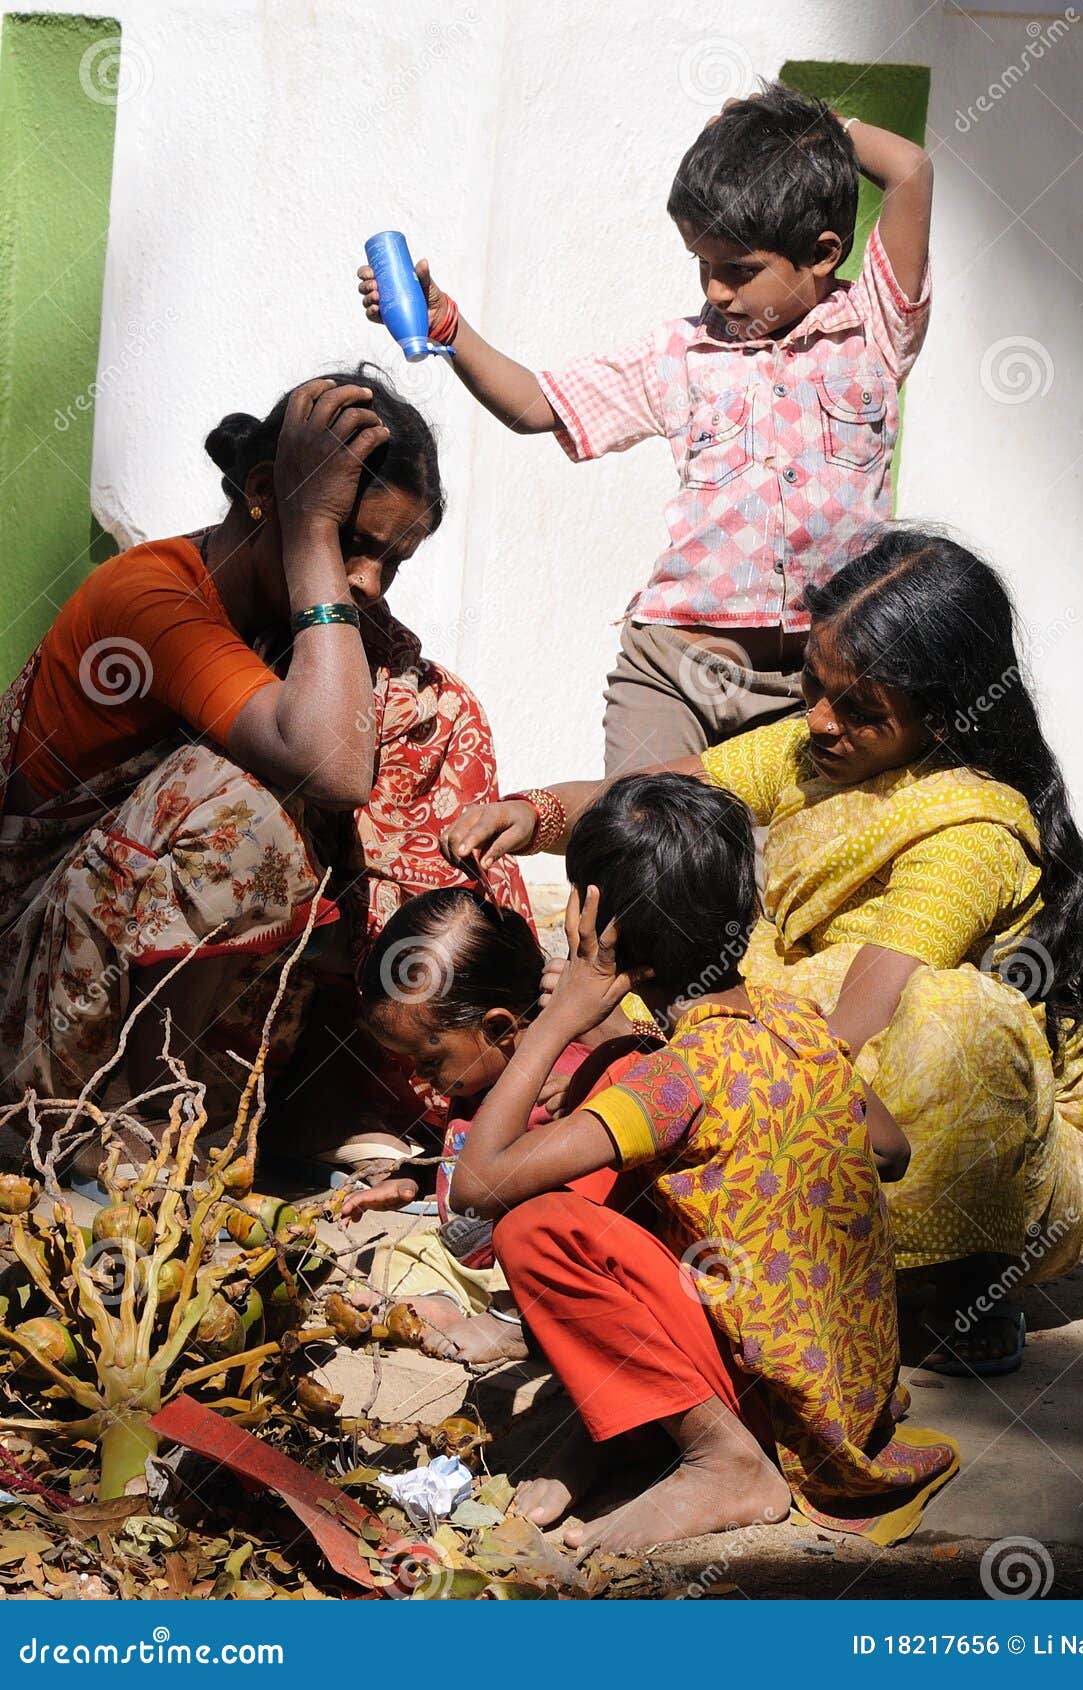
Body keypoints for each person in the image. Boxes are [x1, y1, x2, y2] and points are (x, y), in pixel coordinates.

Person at [442, 528, 1083, 1377]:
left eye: (859, 710)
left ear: (945, 714)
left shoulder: (972, 831)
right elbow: (667, 798)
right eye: (814, 688)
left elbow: (850, 1025)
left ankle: (957, 1287)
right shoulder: (822, 745)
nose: (819, 721)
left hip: (936, 1123)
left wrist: (680, 1053)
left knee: (952, 1017)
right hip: (815, 1056)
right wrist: (538, 812)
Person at [0, 367, 529, 1161]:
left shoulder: (303, 623)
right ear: (260, 493)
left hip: (202, 991)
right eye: (353, 545)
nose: (368, 585)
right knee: (247, 804)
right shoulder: (149, 599)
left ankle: (406, 1070)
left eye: (394, 562)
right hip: (38, 984)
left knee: (428, 707)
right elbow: (335, 767)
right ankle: (138, 1118)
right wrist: (312, 528)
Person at [446, 774, 958, 1553]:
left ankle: (723, 1461)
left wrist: (558, 1020)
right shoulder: (797, 1022)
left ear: (599, 937)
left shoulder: (674, 1082)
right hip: (850, 1394)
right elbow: (890, 1149)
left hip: (784, 1416)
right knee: (624, 1092)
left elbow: (479, 1188)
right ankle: (620, 1423)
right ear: (745, 913)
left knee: (537, 1229)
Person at [358, 82, 933, 773]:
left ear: (823, 252)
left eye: (739, 270)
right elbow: (537, 404)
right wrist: (447, 323)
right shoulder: (678, 355)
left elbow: (910, 170)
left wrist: (800, 125)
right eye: (702, 265)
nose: (716, 290)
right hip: (673, 672)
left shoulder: (875, 330)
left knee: (772, 870)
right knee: (648, 843)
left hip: (821, 688)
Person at [341, 887, 657, 1365]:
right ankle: (446, 1304)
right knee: (406, 1254)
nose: (417, 1077)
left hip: (534, 1263)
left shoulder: (563, 1085)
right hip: (476, 1258)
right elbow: (460, 1155)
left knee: (544, 1261)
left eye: (428, 1060)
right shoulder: (477, 1075)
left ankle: (517, 1320)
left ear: (497, 1029)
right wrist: (417, 1180)